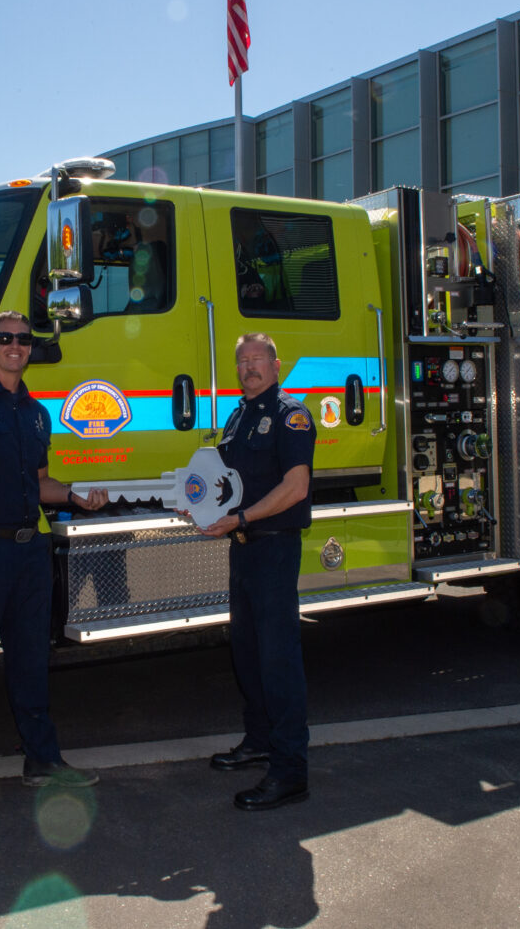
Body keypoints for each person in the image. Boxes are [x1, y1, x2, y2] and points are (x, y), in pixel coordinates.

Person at [0, 311, 108, 816]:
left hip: (32, 551)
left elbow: (40, 484)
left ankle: (42, 761)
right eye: (5, 338)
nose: (15, 346)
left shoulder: (36, 413)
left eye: (24, 340)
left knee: (31, 664)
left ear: (31, 349)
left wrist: (76, 495)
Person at [198, 333, 316, 811]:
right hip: (243, 549)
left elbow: (296, 486)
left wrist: (244, 518)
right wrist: (197, 504)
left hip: (273, 547)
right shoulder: (237, 416)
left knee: (278, 660)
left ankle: (290, 772)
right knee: (246, 653)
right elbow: (220, 482)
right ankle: (259, 740)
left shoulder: (292, 414)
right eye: (242, 360)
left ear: (276, 365)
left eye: (257, 360)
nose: (249, 368)